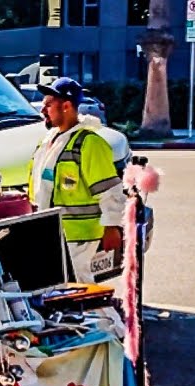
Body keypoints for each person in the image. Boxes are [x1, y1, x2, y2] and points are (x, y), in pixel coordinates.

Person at [27, 77, 126, 283]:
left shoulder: (90, 144)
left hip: (81, 235)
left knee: (81, 288)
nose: (43, 110)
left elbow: (110, 190)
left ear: (66, 106)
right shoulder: (50, 141)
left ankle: (107, 317)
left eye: (48, 105)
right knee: (68, 289)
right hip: (55, 231)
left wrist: (112, 227)